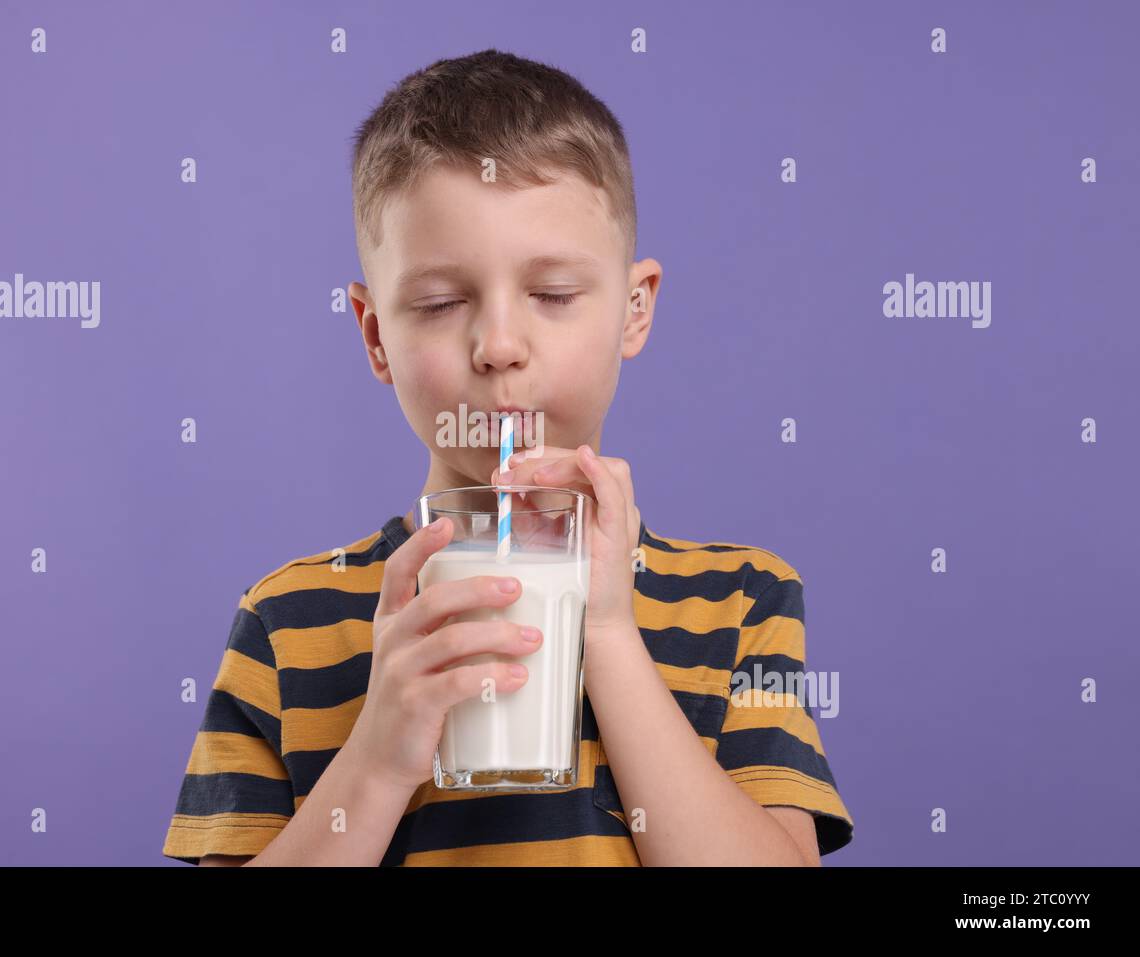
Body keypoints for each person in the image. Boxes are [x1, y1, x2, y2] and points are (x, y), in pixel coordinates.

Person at [162, 48, 853, 866]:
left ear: (634, 311)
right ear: (376, 333)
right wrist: (378, 760)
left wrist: (606, 632)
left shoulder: (741, 603)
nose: (497, 346)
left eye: (554, 295)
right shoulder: (286, 624)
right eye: (441, 302)